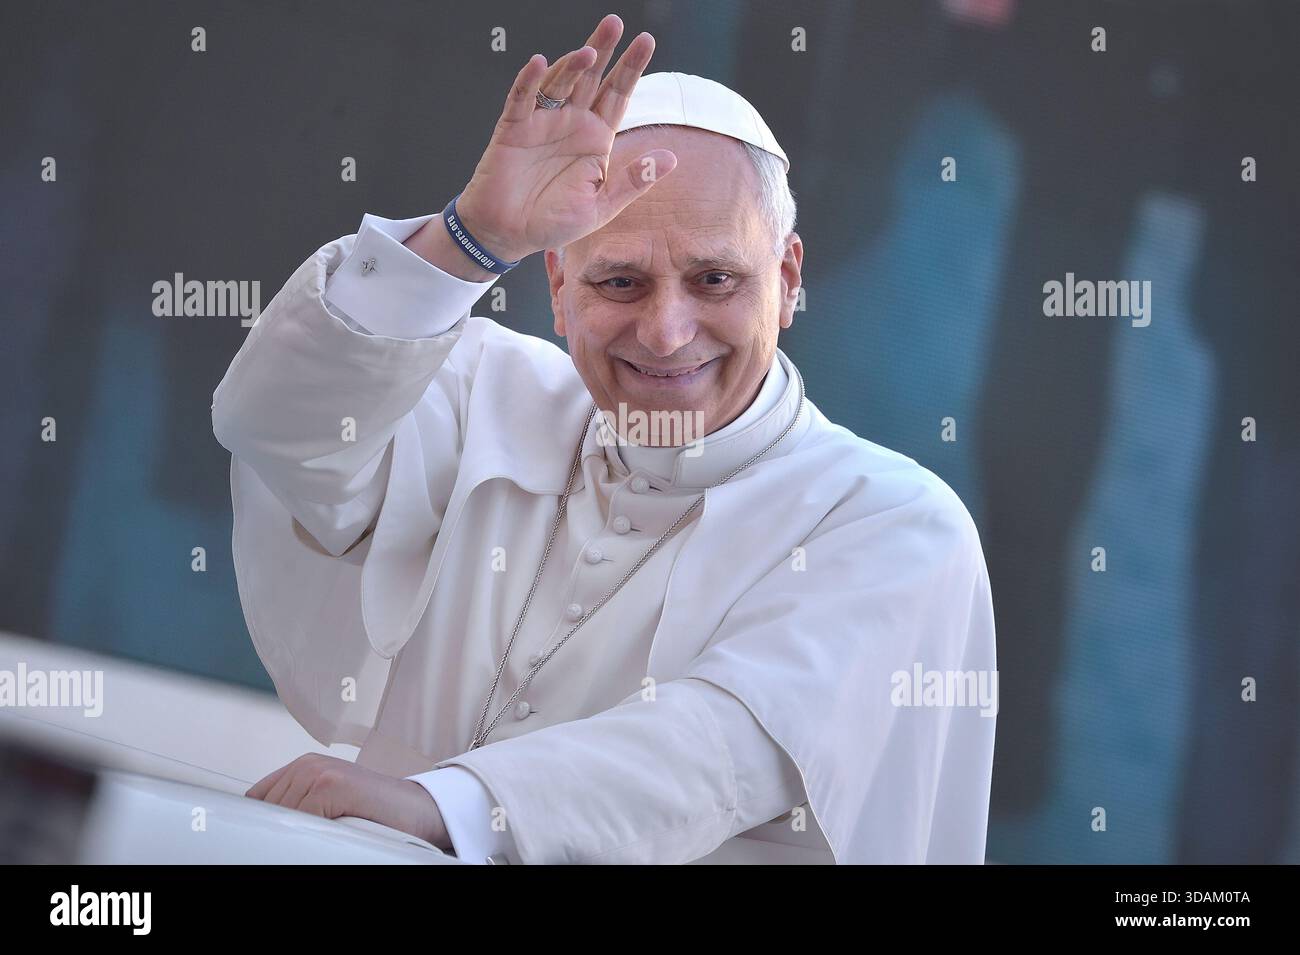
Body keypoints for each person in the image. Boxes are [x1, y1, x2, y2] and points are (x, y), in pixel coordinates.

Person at [211, 13, 996, 864]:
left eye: (715, 279)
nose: (665, 331)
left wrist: (446, 805)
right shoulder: (482, 391)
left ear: (788, 278)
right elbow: (274, 427)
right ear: (558, 286)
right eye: (620, 280)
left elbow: (716, 752)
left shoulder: (895, 523)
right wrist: (472, 240)